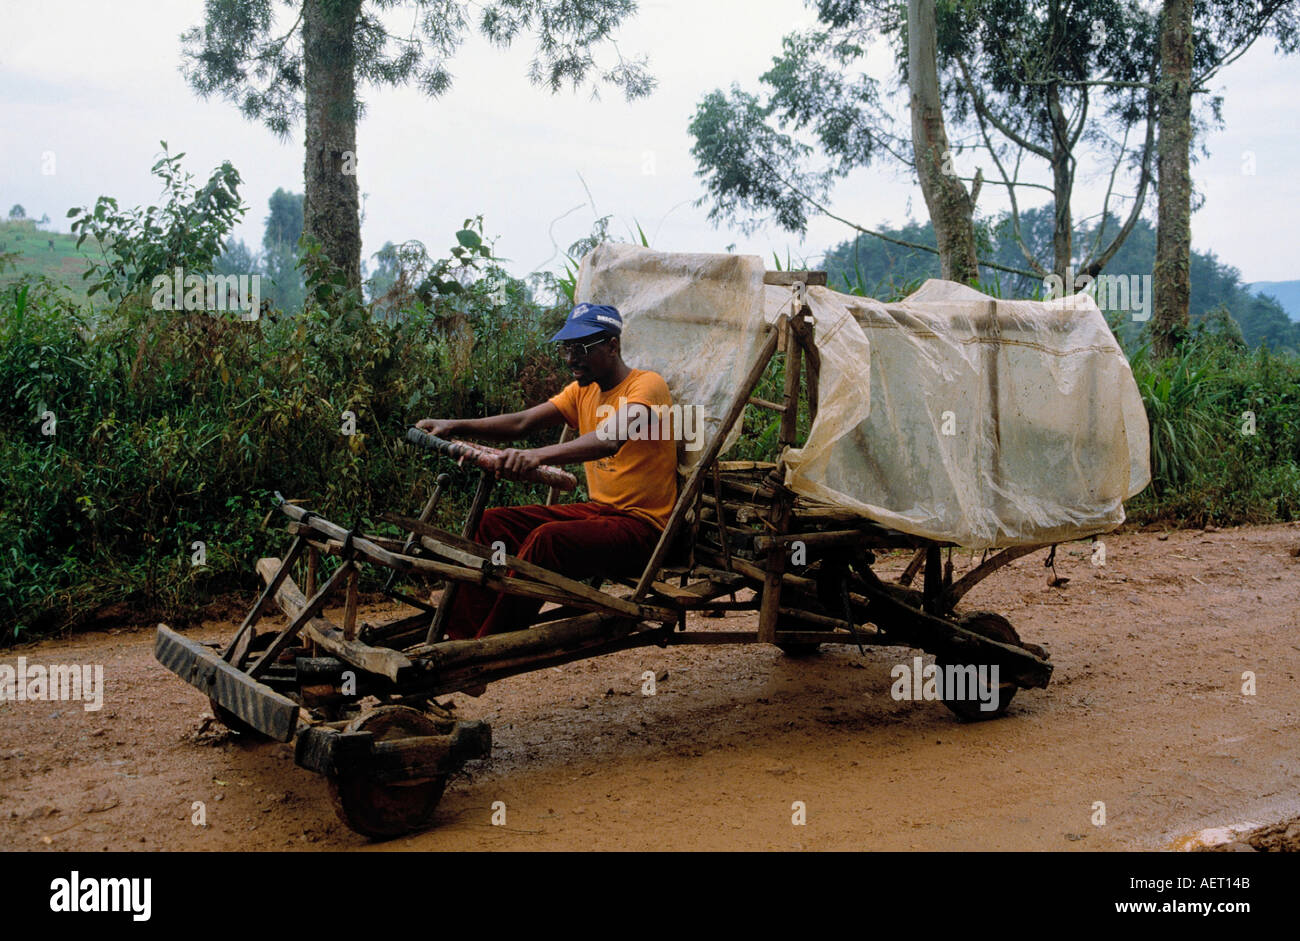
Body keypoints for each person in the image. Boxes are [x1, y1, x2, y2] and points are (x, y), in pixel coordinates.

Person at [416, 303, 678, 641]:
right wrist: (456, 425)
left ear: (612, 346)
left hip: (643, 529)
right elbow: (523, 422)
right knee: (492, 523)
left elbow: (609, 440)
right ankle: (459, 636)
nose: (571, 359)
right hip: (600, 514)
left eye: (581, 348)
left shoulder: (646, 387)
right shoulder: (582, 391)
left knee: (547, 540)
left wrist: (536, 457)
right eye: (567, 348)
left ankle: (493, 647)